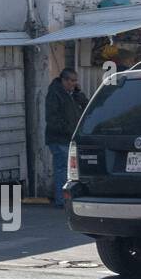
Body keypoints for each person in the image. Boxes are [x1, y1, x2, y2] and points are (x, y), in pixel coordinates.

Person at [44, 68, 87, 207]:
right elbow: (52, 119)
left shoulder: (71, 94)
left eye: (75, 81)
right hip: (59, 139)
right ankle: (61, 200)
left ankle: (65, 198)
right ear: (64, 80)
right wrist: (69, 131)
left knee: (69, 170)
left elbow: (86, 106)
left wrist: (78, 93)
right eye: (72, 81)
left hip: (70, 138)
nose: (74, 84)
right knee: (62, 169)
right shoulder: (55, 94)